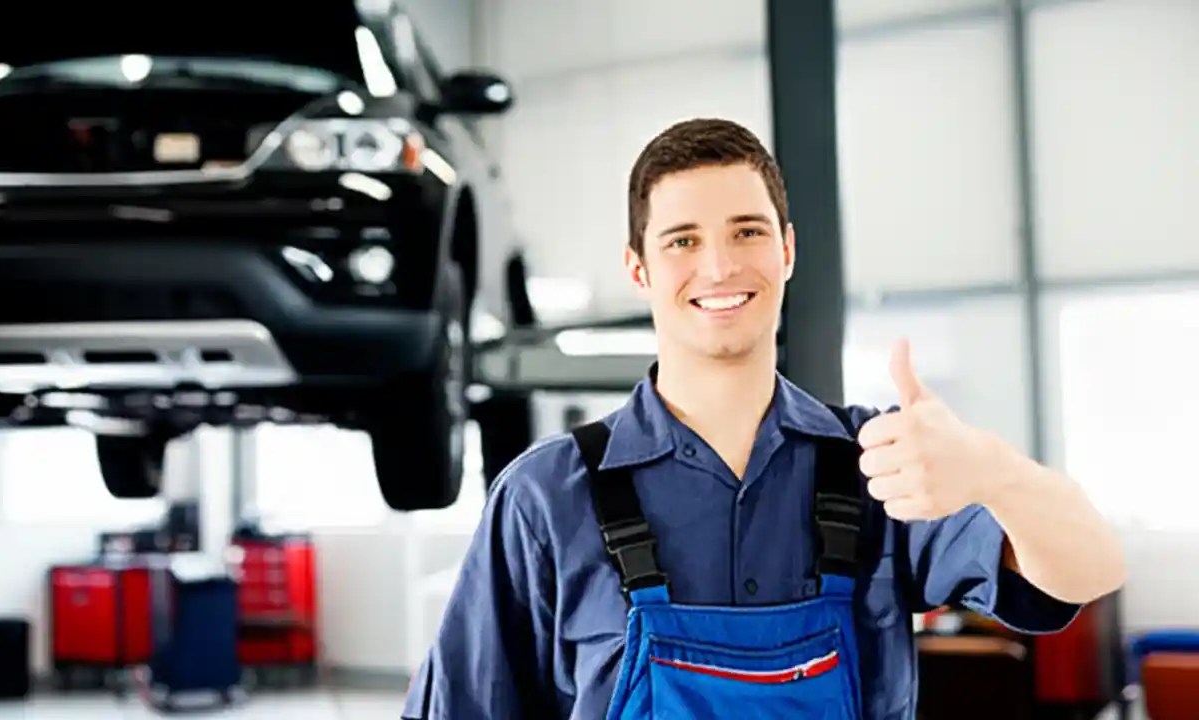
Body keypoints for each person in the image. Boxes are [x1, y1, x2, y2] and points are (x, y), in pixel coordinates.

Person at [401, 118, 1125, 719]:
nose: (718, 267)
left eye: (747, 232)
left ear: (787, 249)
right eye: (682, 240)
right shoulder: (544, 498)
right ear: (638, 269)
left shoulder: (880, 464)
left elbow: (1089, 569)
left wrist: (993, 471)